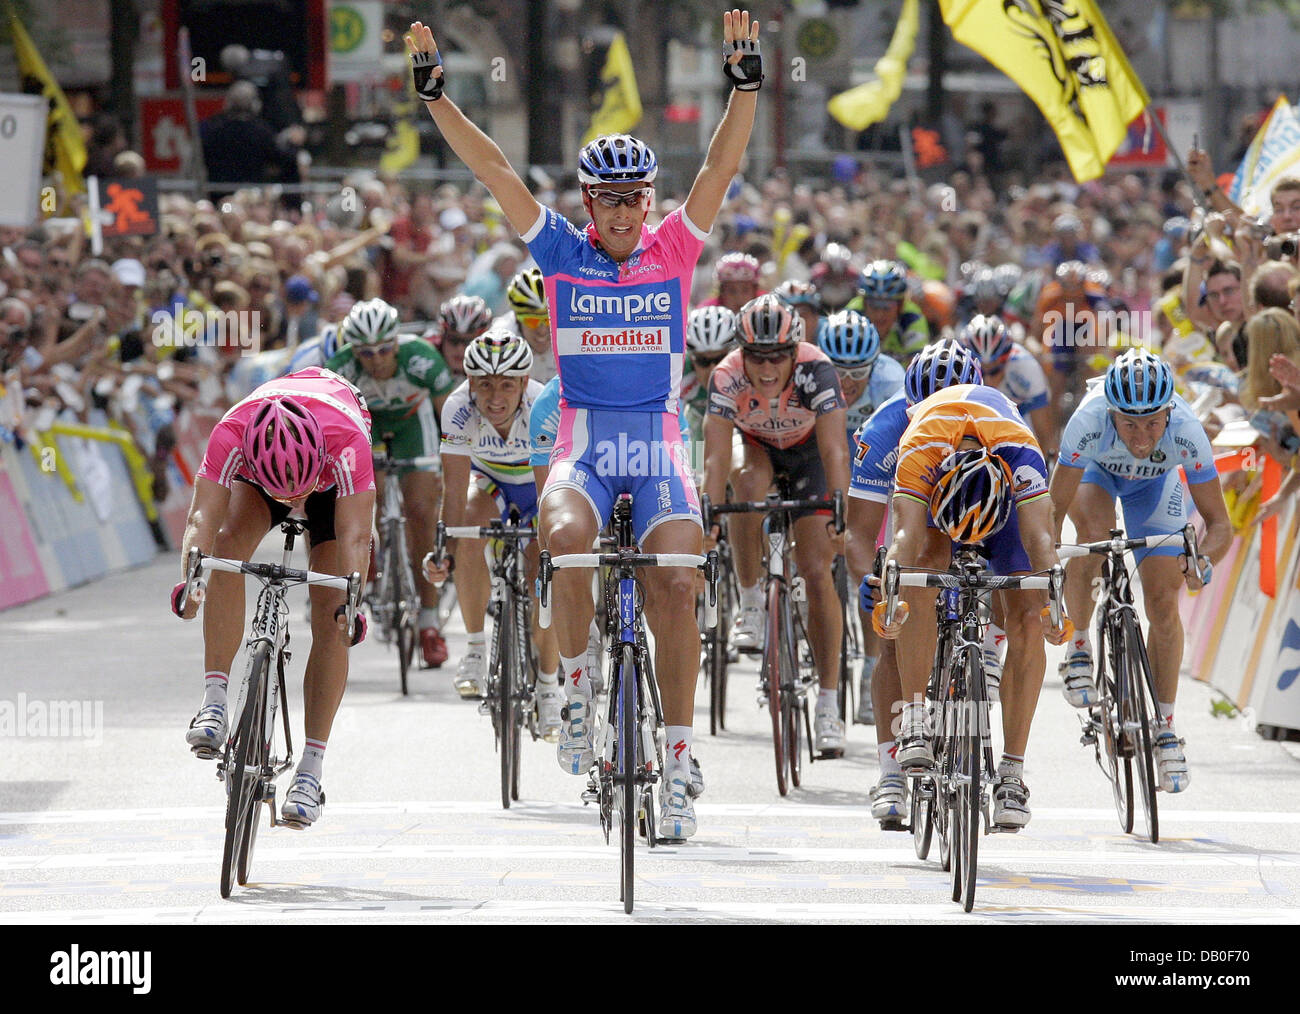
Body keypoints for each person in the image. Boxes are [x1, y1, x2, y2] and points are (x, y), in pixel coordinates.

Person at [406, 8, 765, 839]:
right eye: (605, 199)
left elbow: (721, 161)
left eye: (632, 198)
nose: (619, 212)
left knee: (677, 583)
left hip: (657, 440)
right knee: (564, 542)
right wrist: (436, 99)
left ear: (647, 200)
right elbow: (494, 170)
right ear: (587, 201)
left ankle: (675, 757)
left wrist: (742, 86)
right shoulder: (561, 251)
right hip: (583, 439)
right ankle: (573, 686)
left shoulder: (673, 250)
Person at [173, 367, 375, 828]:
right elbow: (200, 519)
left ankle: (310, 770)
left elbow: (356, 534)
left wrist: (352, 602)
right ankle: (214, 699)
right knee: (224, 549)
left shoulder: (348, 442)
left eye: (297, 489)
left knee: (332, 611)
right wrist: (192, 581)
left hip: (331, 482)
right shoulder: (233, 433)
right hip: (262, 466)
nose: (294, 498)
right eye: (288, 492)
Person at [870, 382, 1072, 829]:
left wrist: (1054, 609)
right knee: (920, 571)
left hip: (1003, 495)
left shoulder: (1022, 455)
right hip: (939, 492)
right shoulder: (920, 446)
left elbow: (1041, 539)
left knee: (1024, 613)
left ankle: (1012, 774)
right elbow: (903, 535)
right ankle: (918, 715)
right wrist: (891, 597)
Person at [1049, 350, 1232, 793]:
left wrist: (1201, 559)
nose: (1142, 436)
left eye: (1153, 423)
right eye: (1129, 424)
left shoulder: (1187, 431)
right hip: (1098, 475)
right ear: (1110, 412)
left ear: (1169, 411)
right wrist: (1049, 566)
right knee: (1092, 531)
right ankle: (1078, 646)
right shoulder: (1088, 421)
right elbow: (1053, 510)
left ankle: (1165, 727)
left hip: (1155, 486)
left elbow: (1221, 524)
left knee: (1163, 602)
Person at [702, 294, 850, 755]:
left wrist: (839, 508)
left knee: (816, 568)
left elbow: (835, 451)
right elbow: (715, 455)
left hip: (809, 454)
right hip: (758, 449)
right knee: (744, 484)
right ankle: (750, 600)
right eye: (757, 357)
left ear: (795, 353)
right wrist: (709, 508)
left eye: (778, 357)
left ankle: (828, 703)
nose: (767, 369)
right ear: (741, 353)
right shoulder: (726, 375)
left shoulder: (817, 371)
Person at [845, 340, 983, 827]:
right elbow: (859, 533)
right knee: (893, 630)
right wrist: (875, 579)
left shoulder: (995, 424)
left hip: (969, 519)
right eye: (925, 413)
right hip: (908, 521)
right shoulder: (884, 430)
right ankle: (889, 771)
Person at [423, 330, 564, 735]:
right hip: (489, 482)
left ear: (524, 383)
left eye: (506, 385)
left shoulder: (543, 404)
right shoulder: (457, 409)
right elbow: (453, 490)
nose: (495, 397)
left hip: (540, 484)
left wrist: (548, 539)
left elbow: (552, 486)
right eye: (484, 384)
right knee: (468, 525)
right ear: (470, 383)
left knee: (545, 575)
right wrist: (443, 551)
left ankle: (549, 686)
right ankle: (474, 649)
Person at [325, 298, 456, 667]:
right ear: (354, 350)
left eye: (385, 349)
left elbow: (450, 415)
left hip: (414, 425)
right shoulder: (341, 369)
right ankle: (375, 551)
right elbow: (334, 430)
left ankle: (429, 623)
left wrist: (449, 464)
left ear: (397, 344)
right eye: (366, 353)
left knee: (421, 511)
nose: (378, 359)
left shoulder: (422, 360)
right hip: (368, 428)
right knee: (372, 497)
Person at [958, 314, 1055, 460]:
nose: (989, 379)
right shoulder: (958, 368)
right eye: (982, 372)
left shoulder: (1026, 367)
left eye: (995, 371)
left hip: (1018, 416)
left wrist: (1047, 462)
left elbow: (1044, 431)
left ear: (1006, 359)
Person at [816, 309, 904, 445]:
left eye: (858, 373)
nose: (846, 383)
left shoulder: (892, 382)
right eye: (838, 372)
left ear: (873, 367)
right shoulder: (808, 375)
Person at [847, 259, 929, 363]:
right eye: (873, 305)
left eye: (887, 307)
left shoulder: (912, 319)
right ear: (863, 303)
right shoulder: (852, 315)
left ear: (900, 305)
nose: (879, 314)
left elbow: (916, 366)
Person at [494, 267, 556, 383]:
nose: (542, 330)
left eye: (549, 320)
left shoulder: (573, 334)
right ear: (517, 318)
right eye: (532, 321)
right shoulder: (500, 340)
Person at [435, 293, 493, 385]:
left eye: (468, 342)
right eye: (453, 340)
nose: (460, 349)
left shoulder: (494, 364)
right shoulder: (426, 352)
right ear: (442, 336)